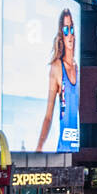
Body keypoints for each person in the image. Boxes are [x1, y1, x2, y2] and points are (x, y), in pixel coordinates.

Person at [37, 8, 78, 151]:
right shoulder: (56, 68)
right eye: (66, 30)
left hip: (75, 144)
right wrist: (39, 147)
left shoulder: (77, 67)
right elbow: (48, 115)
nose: (70, 34)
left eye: (71, 28)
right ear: (61, 35)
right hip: (63, 145)